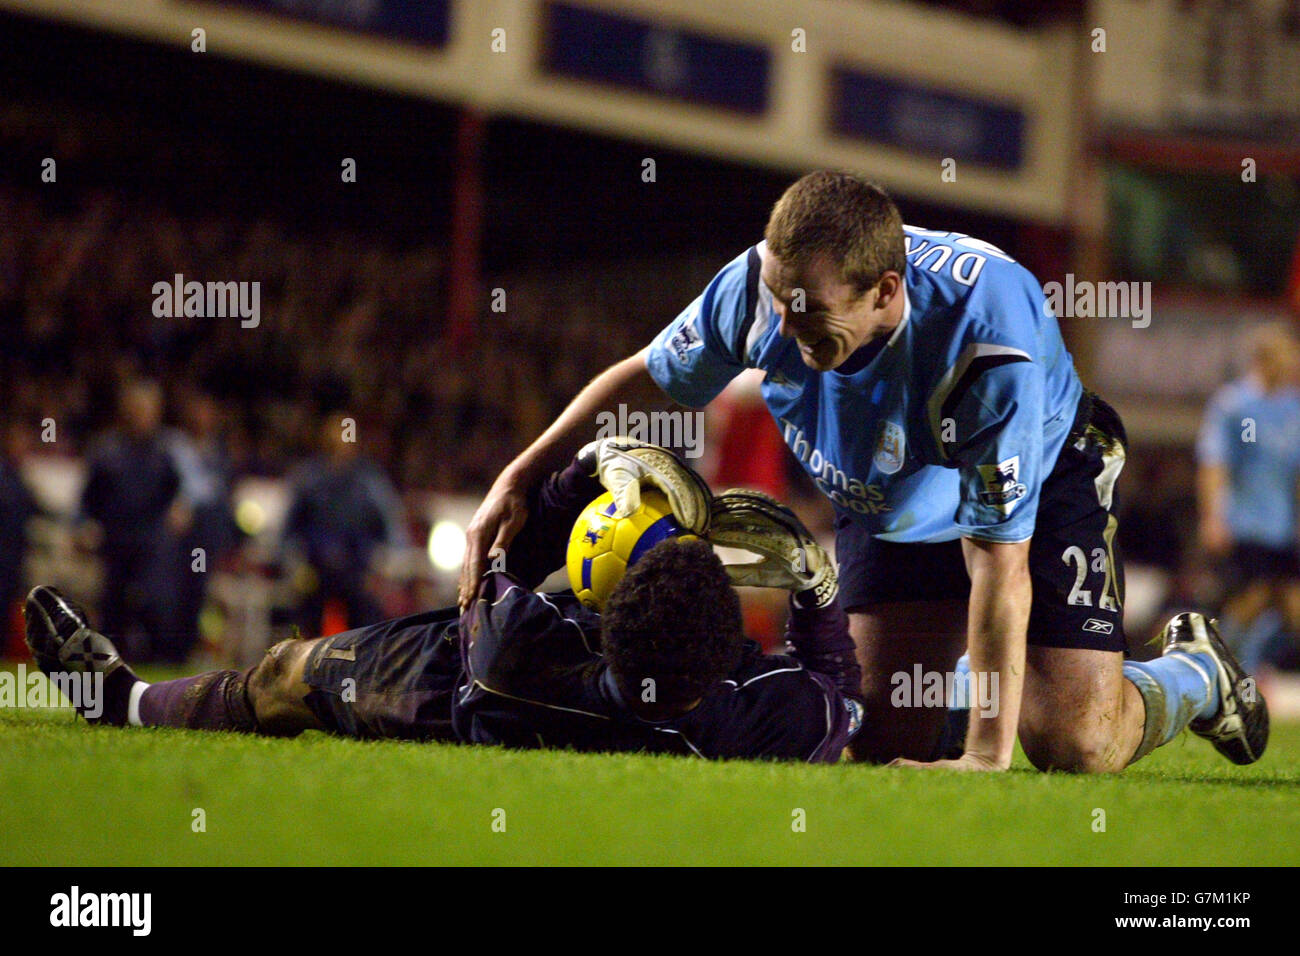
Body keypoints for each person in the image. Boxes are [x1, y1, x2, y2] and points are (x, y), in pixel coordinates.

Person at [460, 170, 1268, 772]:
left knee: (1073, 744)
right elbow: (645, 375)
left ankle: (1195, 670)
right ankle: (963, 692)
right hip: (889, 501)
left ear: (887, 292)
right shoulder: (768, 288)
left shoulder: (988, 345)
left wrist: (984, 761)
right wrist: (521, 476)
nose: (781, 328)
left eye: (809, 316)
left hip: (1041, 473)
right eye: (779, 303)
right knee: (874, 741)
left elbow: (999, 562)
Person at [24, 440, 864, 762]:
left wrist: (589, 468)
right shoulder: (756, 719)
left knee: (285, 676)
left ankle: (124, 706)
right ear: (727, 655)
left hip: (455, 690)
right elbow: (836, 695)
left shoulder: (520, 645)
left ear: (602, 624)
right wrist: (819, 589)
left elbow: (516, 552)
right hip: (520, 690)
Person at [1197, 322, 1300, 673]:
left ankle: (1244, 667)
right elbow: (1217, 464)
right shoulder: (1239, 407)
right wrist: (1213, 517)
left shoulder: (1293, 408)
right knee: (1252, 598)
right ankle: (1224, 669)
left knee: (1290, 606)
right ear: (1266, 359)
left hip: (1283, 528)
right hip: (1245, 524)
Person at [77, 379, 187, 662]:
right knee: (114, 608)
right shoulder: (107, 450)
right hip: (116, 538)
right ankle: (109, 666)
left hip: (152, 541)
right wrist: (84, 526)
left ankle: (159, 662)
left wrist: (179, 508)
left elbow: (178, 490)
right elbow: (88, 497)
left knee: (156, 603)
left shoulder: (166, 451)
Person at [281, 413, 408, 633]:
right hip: (315, 569)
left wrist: (386, 564)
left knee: (364, 630)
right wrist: (294, 562)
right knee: (305, 626)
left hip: (357, 571)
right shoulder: (310, 477)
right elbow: (290, 526)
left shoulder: (369, 482)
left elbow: (391, 525)